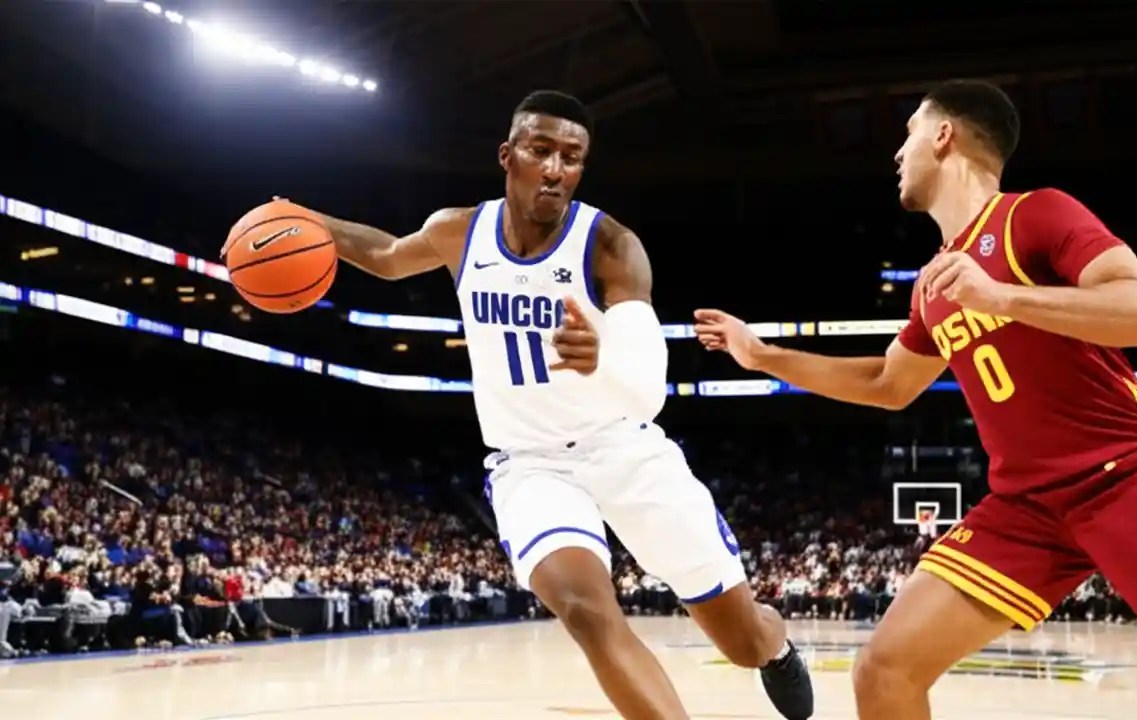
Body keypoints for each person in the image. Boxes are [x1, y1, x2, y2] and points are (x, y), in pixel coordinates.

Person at [693, 79, 1137, 720]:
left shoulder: (1035, 214)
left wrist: (1003, 297)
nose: (897, 154)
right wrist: (762, 356)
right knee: (884, 671)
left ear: (943, 135)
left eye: (909, 132)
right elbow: (887, 385)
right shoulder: (935, 282)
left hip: (1121, 474)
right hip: (1024, 506)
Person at [225, 90, 812, 720]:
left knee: (741, 638)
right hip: (530, 465)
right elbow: (391, 258)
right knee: (587, 612)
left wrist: (603, 356)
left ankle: (774, 644)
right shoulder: (459, 231)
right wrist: (309, 223)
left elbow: (648, 389)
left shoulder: (611, 245)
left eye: (573, 157)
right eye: (542, 151)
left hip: (625, 448)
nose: (557, 168)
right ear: (509, 155)